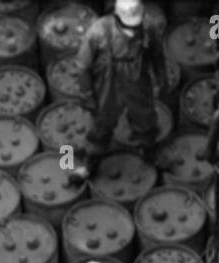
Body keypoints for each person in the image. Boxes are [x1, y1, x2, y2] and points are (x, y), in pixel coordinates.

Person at [74, 0, 172, 179]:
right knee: (102, 122)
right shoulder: (98, 32)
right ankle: (91, 161)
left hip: (137, 78)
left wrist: (161, 80)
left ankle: (149, 152)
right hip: (109, 82)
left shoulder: (148, 28)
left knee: (145, 117)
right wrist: (87, 94)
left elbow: (158, 56)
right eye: (128, 26)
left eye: (136, 26)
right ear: (117, 18)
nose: (133, 32)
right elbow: (82, 67)